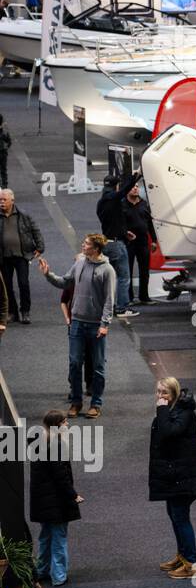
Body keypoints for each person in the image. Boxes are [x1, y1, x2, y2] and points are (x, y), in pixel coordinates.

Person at [39, 234, 115, 419]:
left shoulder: (107, 270)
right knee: (74, 364)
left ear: (96, 248)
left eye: (87, 243)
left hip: (96, 325)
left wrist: (105, 324)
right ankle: (76, 402)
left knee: (98, 366)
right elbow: (65, 282)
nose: (83, 245)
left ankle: (96, 404)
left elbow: (109, 301)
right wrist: (48, 274)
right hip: (77, 323)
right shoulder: (79, 263)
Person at [150, 377, 196, 580]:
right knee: (174, 514)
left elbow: (168, 433)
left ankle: (191, 563)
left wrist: (162, 410)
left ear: (173, 394)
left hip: (184, 476)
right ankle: (182, 556)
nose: (160, 397)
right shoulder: (174, 410)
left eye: (164, 393)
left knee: (181, 517)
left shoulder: (184, 412)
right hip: (174, 474)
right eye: (158, 392)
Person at [30, 409, 83, 588]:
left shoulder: (39, 443)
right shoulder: (57, 446)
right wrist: (73, 495)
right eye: (65, 422)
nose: (68, 424)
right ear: (58, 425)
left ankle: (42, 569)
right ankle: (59, 576)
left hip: (42, 501)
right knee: (59, 538)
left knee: (45, 536)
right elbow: (61, 477)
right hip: (57, 502)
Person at [97, 173, 138, 319]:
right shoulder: (114, 199)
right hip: (116, 245)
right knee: (123, 277)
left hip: (106, 242)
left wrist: (124, 232)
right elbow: (123, 192)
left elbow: (111, 222)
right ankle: (121, 308)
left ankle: (110, 305)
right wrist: (135, 176)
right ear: (116, 186)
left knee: (111, 278)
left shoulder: (101, 202)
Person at [0, 188, 43, 324]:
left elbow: (35, 230)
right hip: (4, 257)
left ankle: (25, 312)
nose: (1, 202)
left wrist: (40, 247)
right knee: (7, 286)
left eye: (4, 200)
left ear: (12, 200)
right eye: (0, 200)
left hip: (22, 256)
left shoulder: (23, 215)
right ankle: (12, 313)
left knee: (23, 284)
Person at [123, 180, 159, 306]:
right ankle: (129, 297)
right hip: (128, 243)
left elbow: (150, 224)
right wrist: (124, 233)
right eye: (132, 187)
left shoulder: (144, 204)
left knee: (144, 270)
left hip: (143, 241)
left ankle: (144, 296)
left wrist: (154, 240)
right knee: (127, 270)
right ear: (127, 190)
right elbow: (119, 224)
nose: (135, 189)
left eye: (137, 187)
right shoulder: (122, 205)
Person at [0, 114, 12, 188]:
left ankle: (3, 186)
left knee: (3, 170)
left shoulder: (4, 132)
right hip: (3, 153)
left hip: (3, 152)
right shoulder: (4, 132)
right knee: (3, 170)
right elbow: (9, 142)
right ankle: (4, 186)